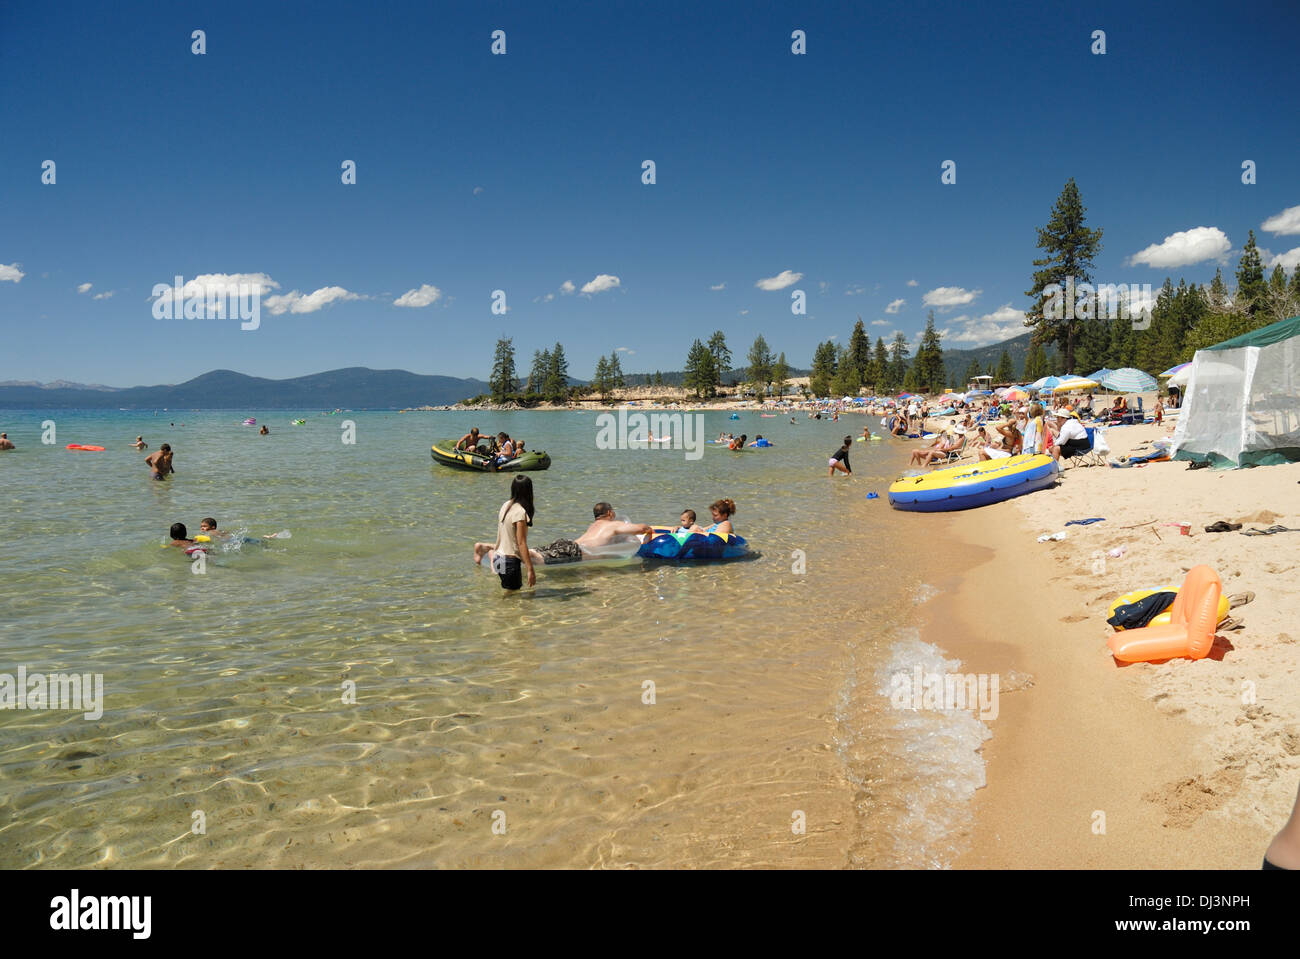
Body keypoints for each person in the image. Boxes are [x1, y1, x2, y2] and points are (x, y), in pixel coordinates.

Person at [526, 502, 654, 565]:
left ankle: (516, 551)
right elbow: (641, 528)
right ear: (609, 513)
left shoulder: (593, 526)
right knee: (538, 559)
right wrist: (649, 530)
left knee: (534, 553)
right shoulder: (612, 524)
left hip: (568, 544)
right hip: (575, 550)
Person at [472, 475, 536, 590]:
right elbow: (521, 543)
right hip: (509, 562)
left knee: (507, 592)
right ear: (528, 491)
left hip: (498, 558)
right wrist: (530, 569)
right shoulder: (520, 513)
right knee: (513, 597)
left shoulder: (506, 505)